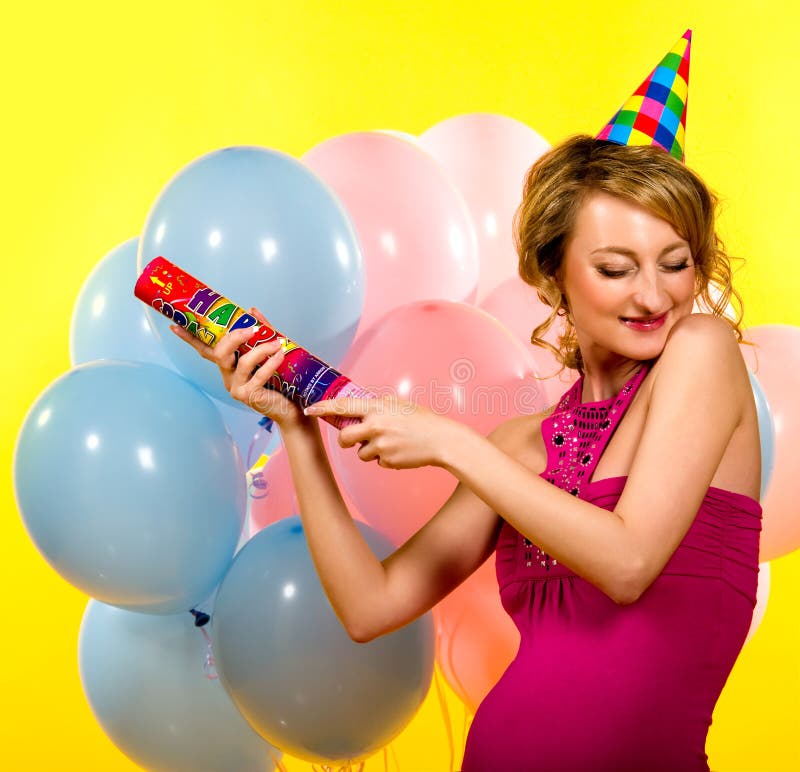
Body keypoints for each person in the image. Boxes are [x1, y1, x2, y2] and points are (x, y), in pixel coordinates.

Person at [171, 29, 762, 772]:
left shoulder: (703, 351)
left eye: (675, 264)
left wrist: (452, 444)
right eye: (616, 269)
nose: (654, 295)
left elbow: (629, 560)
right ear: (554, 274)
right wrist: (297, 429)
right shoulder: (522, 445)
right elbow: (370, 607)